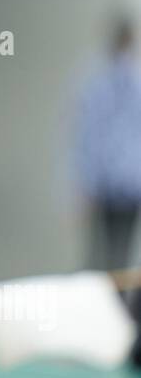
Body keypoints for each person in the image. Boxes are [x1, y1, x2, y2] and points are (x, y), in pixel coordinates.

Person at [71, 15, 141, 273]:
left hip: (121, 184)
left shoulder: (101, 78)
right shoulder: (100, 79)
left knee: (111, 257)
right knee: (109, 257)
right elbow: (89, 135)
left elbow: (86, 136)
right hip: (113, 184)